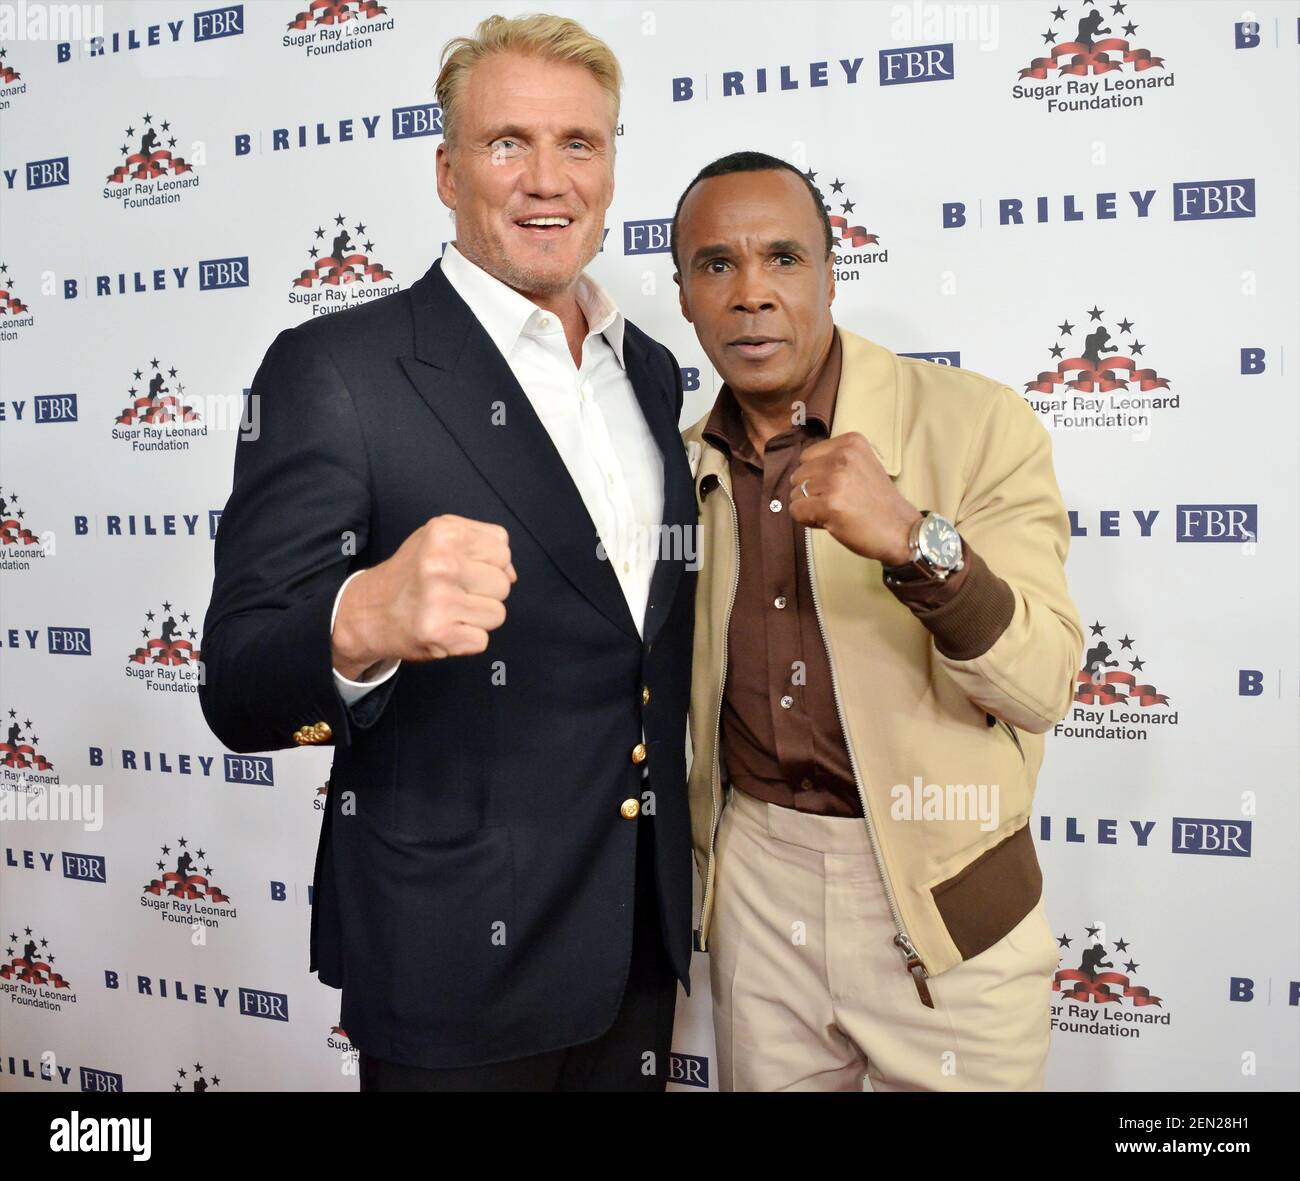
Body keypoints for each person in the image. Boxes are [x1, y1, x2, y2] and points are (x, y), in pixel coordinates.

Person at [198, 14, 696, 1091]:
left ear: (612, 163)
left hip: (637, 947)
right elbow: (236, 687)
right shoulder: (337, 370)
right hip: (449, 959)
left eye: (580, 143)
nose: (545, 179)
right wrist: (359, 620)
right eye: (506, 142)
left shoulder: (649, 371)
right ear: (445, 170)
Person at [673, 151, 1083, 1091]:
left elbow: (1041, 681)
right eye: (715, 265)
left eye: (782, 258)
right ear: (686, 295)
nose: (751, 295)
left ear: (830, 272)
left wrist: (911, 539)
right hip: (758, 887)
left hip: (948, 897)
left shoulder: (978, 423)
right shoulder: (681, 463)